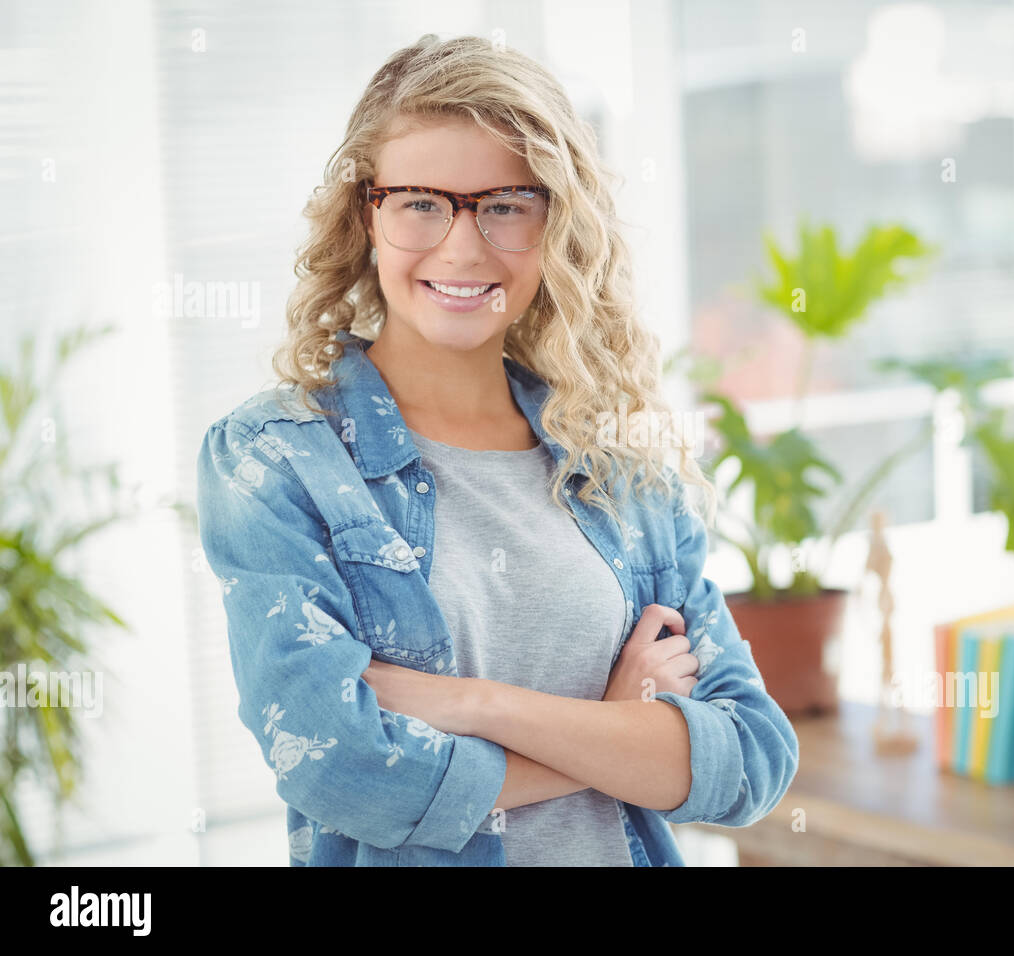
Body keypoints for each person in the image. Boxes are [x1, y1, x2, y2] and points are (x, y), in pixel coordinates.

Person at [195, 33, 798, 866]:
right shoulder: (276, 458)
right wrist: (620, 733)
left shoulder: (618, 461)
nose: (464, 247)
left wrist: (475, 704)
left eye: (506, 204)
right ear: (366, 215)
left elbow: (751, 761)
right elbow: (340, 766)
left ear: (556, 223)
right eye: (421, 202)